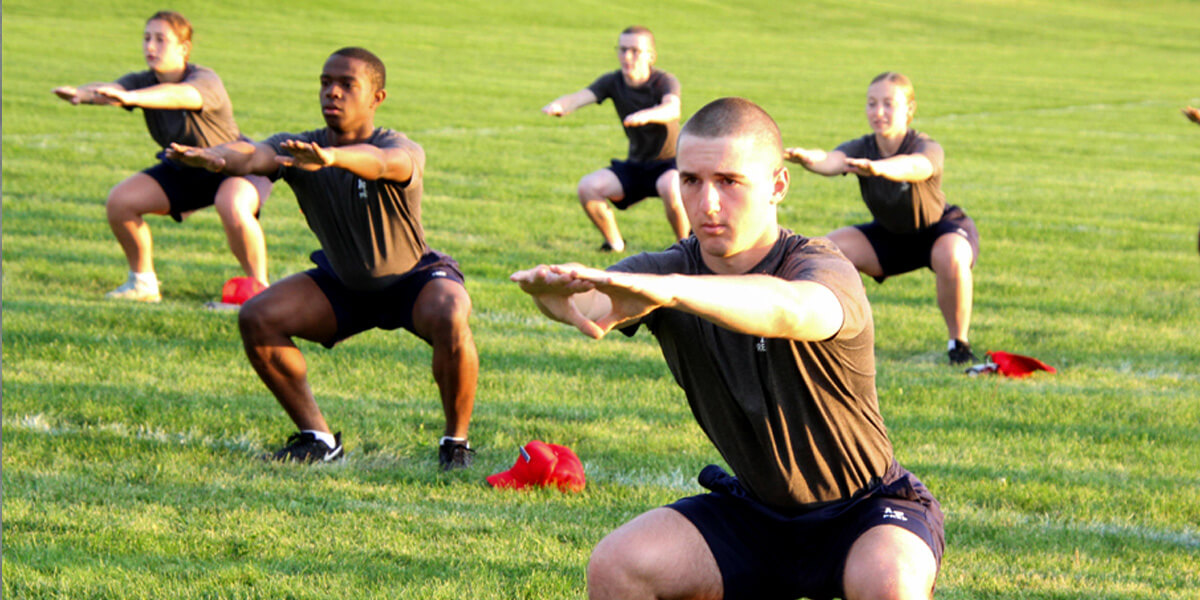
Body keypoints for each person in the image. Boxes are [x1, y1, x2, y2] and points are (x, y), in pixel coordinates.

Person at [513, 98, 944, 600]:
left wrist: (673, 292)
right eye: (691, 181)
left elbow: (790, 310)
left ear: (778, 186)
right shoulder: (668, 271)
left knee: (890, 583)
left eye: (729, 182)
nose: (707, 203)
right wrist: (554, 295)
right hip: (755, 515)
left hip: (866, 511)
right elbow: (592, 299)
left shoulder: (821, 267)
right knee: (617, 565)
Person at [167, 47, 478, 469]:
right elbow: (255, 154)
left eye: (347, 84)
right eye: (325, 82)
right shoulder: (297, 147)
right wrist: (219, 158)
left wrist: (332, 158)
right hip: (344, 282)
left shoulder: (398, 145)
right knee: (258, 318)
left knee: (451, 309)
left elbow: (384, 163)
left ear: (376, 98)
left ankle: (454, 444)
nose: (332, 91)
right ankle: (320, 441)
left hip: (411, 279)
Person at [53, 10, 272, 302]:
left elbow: (179, 95)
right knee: (121, 202)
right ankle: (142, 283)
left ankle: (259, 292)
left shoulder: (204, 79)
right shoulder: (143, 80)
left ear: (183, 48)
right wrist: (82, 94)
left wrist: (133, 98)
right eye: (146, 39)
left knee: (232, 204)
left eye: (160, 39)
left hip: (235, 164)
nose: (150, 47)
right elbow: (115, 89)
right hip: (185, 166)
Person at [785, 72, 981, 364]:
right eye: (872, 103)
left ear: (909, 109)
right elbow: (834, 160)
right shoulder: (862, 147)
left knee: (952, 255)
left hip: (938, 229)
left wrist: (879, 168)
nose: (878, 112)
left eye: (888, 104)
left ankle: (959, 345)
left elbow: (917, 166)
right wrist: (808, 159)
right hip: (891, 235)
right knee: (827, 250)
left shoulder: (926, 145)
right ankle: (848, 335)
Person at [541, 25, 688, 253]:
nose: (627, 56)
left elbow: (672, 109)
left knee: (670, 185)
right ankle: (615, 244)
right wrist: (560, 105)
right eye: (622, 50)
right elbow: (580, 97)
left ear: (651, 55)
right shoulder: (613, 81)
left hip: (669, 163)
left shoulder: (664, 81)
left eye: (635, 51)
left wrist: (646, 115)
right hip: (636, 165)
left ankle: (685, 248)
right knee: (588, 187)